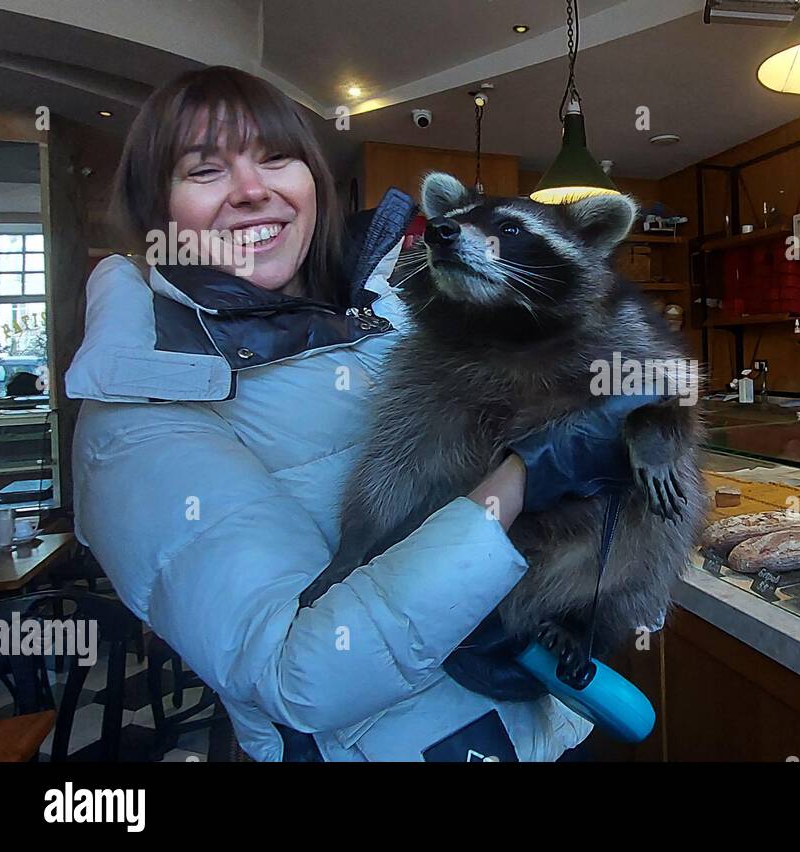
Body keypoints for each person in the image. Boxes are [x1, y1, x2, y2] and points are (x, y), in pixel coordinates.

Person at [66, 66, 646, 761]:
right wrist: (523, 478)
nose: (252, 189)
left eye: (275, 157)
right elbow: (298, 673)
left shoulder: (393, 304)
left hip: (550, 727)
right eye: (205, 170)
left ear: (312, 178)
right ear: (155, 206)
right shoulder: (141, 394)